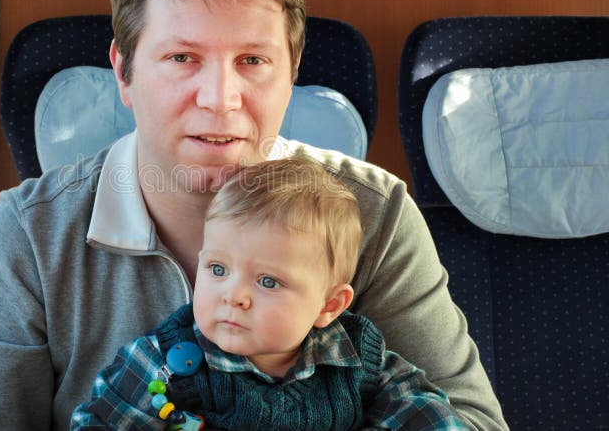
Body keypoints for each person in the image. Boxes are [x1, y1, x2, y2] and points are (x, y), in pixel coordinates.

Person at [0, 0, 507, 431]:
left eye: (252, 61)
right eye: (182, 58)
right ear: (124, 72)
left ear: (291, 73)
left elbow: (470, 421)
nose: (220, 98)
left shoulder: (376, 213)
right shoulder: (26, 238)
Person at [70, 157, 467, 430]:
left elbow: (429, 415)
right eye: (218, 270)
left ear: (329, 305)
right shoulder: (167, 362)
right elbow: (100, 422)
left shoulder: (355, 360)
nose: (234, 296)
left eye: (268, 282)